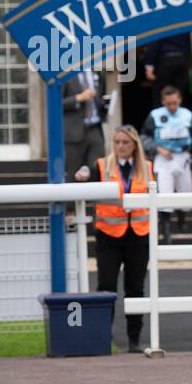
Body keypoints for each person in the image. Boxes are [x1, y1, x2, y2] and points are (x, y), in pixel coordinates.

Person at [79, 125, 154, 354]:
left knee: (135, 288)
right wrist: (82, 175)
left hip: (138, 235)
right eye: (117, 142)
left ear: (134, 145)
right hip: (109, 236)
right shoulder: (102, 166)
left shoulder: (148, 168)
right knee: (106, 286)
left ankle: (134, 340)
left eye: (125, 142)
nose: (121, 146)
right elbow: (86, 183)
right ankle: (103, 336)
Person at [142, 85, 192, 242]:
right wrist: (157, 149)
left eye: (174, 103)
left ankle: (182, 218)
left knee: (185, 190)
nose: (172, 106)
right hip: (163, 158)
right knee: (165, 192)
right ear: (163, 102)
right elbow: (144, 137)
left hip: (182, 156)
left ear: (179, 100)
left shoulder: (187, 115)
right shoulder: (155, 115)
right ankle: (166, 230)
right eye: (168, 103)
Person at [62, 68, 106, 182]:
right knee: (73, 173)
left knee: (97, 168)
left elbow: (100, 97)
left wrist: (105, 104)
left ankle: (94, 200)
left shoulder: (97, 73)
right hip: (73, 132)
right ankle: (70, 200)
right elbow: (55, 103)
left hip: (95, 128)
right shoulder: (64, 74)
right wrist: (78, 98)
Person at [143, 32, 192, 109]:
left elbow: (154, 43)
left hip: (165, 60)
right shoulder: (183, 21)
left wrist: (149, 65)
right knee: (180, 93)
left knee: (160, 95)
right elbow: (188, 43)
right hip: (182, 59)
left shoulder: (160, 22)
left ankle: (160, 118)